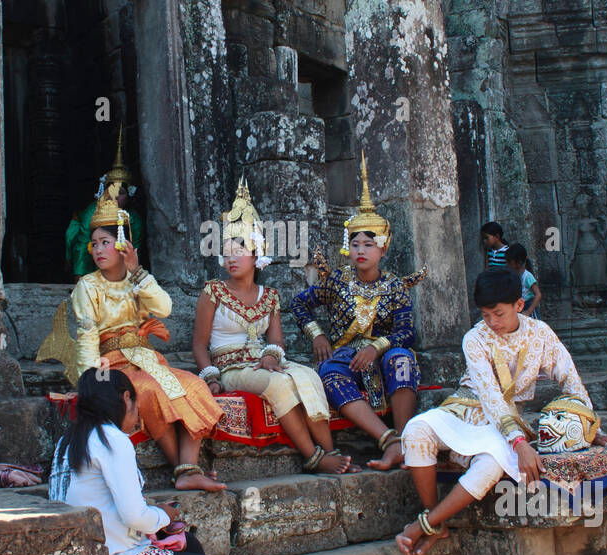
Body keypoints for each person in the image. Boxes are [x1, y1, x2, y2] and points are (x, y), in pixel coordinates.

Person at [63, 367, 329, 555]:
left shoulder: (72, 441)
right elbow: (134, 515)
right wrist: (165, 515)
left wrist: (161, 523)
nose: (137, 412)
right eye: (135, 403)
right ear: (125, 398)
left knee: (190, 545)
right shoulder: (112, 439)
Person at [396, 268, 607, 555]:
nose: (491, 322)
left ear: (519, 305)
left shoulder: (540, 334)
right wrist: (520, 444)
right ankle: (435, 520)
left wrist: (590, 429)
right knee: (416, 430)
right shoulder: (474, 338)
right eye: (485, 315)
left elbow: (571, 381)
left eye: (498, 313)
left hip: (503, 422)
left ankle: (426, 525)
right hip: (464, 408)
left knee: (492, 465)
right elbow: (490, 396)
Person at [192, 179, 356, 476]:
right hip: (231, 368)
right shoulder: (213, 292)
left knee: (307, 375)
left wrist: (270, 356)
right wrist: (211, 377)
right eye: (227, 251)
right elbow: (199, 345)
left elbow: (277, 342)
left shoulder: (270, 296)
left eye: (239, 250)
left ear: (257, 256)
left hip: (262, 363)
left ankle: (330, 451)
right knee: (279, 384)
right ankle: (313, 457)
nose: (231, 258)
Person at [70, 175, 224, 491]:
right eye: (95, 243)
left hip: (146, 358)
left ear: (123, 245)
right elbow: (86, 334)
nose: (99, 250)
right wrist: (90, 380)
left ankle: (188, 469)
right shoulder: (88, 286)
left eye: (106, 242)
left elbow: (164, 307)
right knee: (151, 393)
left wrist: (138, 271)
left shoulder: (137, 279)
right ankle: (186, 471)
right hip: (111, 365)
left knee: (193, 385)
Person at [290, 152, 426, 471]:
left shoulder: (394, 286)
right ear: (347, 248)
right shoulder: (337, 281)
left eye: (368, 244)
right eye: (355, 245)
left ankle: (405, 439)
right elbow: (299, 304)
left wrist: (376, 346)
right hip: (344, 354)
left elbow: (406, 331)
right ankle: (389, 441)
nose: (361, 251)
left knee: (403, 359)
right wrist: (317, 334)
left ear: (383, 248)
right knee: (329, 374)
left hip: (382, 353)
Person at [65, 128, 143, 279]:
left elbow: (135, 247)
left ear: (129, 196)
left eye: (120, 193)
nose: (114, 197)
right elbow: (83, 243)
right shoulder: (93, 212)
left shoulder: (133, 219)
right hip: (87, 246)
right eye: (111, 191)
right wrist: (79, 276)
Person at [505, 243, 541, 318]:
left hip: (529, 307)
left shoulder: (527, 276)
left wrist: (529, 311)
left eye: (509, 262)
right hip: (519, 307)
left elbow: (538, 295)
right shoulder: (512, 275)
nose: (507, 264)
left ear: (519, 263)